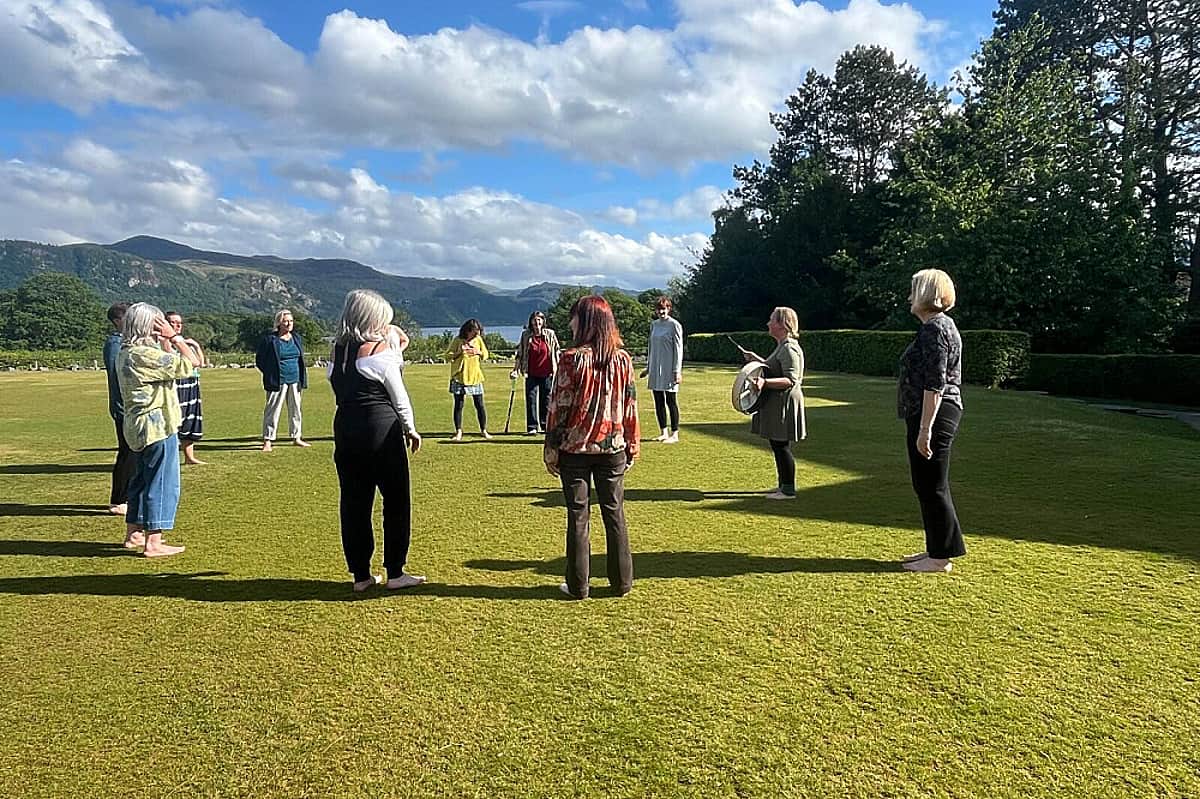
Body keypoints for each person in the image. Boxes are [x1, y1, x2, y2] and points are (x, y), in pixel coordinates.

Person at [328, 290, 426, 593]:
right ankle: (396, 571)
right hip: (380, 429)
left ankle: (361, 575)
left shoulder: (337, 351)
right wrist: (411, 428)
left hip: (346, 428)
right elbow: (399, 396)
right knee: (396, 500)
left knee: (354, 503)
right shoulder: (379, 351)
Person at [544, 295, 641, 599]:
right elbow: (630, 405)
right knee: (615, 514)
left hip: (575, 448)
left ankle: (578, 585)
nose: (570, 323)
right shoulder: (623, 359)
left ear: (584, 321)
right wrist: (633, 443)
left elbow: (558, 407)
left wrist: (551, 448)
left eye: (573, 317)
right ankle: (622, 583)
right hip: (613, 447)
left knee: (578, 515)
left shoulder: (572, 358)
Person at [115, 302, 201, 557]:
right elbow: (191, 363)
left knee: (140, 481)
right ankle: (154, 541)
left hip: (136, 426)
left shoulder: (125, 352)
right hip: (157, 426)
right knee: (162, 482)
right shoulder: (145, 355)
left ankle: (134, 533)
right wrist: (174, 337)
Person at [897, 268, 965, 573]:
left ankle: (940, 558)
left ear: (926, 293)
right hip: (934, 410)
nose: (910, 296)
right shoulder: (939, 326)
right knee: (926, 483)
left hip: (936, 411)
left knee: (932, 484)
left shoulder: (935, 328)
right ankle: (937, 549)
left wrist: (924, 429)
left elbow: (935, 382)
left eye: (914, 289)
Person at [739, 307, 806, 500]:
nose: (768, 323)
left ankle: (788, 490)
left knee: (781, 445)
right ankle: (783, 486)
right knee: (777, 444)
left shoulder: (789, 348)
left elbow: (791, 380)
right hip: (776, 401)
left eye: (771, 320)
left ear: (782, 324)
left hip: (784, 402)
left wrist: (764, 382)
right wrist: (756, 360)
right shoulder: (781, 345)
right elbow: (773, 369)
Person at [255, 308, 309, 451]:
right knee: (272, 410)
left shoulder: (296, 338)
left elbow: (300, 358)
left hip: (295, 379)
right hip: (277, 380)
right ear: (279, 323)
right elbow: (260, 360)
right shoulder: (270, 340)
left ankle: (296, 436)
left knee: (296, 409)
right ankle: (268, 440)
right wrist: (270, 373)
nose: (289, 324)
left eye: (291, 321)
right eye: (286, 321)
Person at [102, 302, 135, 518]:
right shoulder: (116, 344)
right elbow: (119, 378)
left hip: (131, 407)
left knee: (133, 453)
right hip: (124, 408)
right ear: (118, 321)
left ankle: (129, 496)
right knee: (127, 453)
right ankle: (119, 499)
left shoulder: (126, 343)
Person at [164, 311, 206, 465]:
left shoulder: (185, 343)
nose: (178, 325)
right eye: (173, 322)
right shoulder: (164, 342)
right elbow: (170, 357)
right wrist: (172, 340)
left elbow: (199, 362)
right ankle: (171, 458)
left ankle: (189, 457)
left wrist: (195, 345)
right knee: (176, 419)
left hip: (191, 382)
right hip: (177, 384)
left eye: (179, 323)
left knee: (190, 418)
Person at [642, 296, 684, 443]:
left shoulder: (675, 325)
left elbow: (679, 350)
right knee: (658, 400)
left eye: (664, 309)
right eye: (659, 309)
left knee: (671, 401)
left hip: (669, 368)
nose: (661, 312)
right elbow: (651, 347)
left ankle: (675, 434)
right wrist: (648, 367)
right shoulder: (654, 325)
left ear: (669, 309)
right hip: (656, 368)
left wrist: (677, 371)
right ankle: (663, 432)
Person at [511, 310, 561, 434]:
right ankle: (532, 427)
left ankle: (545, 426)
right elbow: (520, 354)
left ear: (543, 321)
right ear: (531, 322)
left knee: (546, 400)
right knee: (531, 399)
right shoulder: (526, 335)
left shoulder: (550, 334)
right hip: (531, 372)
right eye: (535, 320)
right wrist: (515, 370)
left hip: (547, 372)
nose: (537, 322)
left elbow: (556, 351)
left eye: (539, 319)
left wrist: (560, 368)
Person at [443, 318, 491, 441]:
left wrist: (478, 352)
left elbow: (485, 355)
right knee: (459, 405)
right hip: (459, 377)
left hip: (475, 377)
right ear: (467, 331)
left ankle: (483, 430)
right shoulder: (457, 340)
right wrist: (459, 352)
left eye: (478, 333)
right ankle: (458, 431)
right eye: (474, 333)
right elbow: (447, 356)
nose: (476, 335)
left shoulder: (478, 340)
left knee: (479, 405)